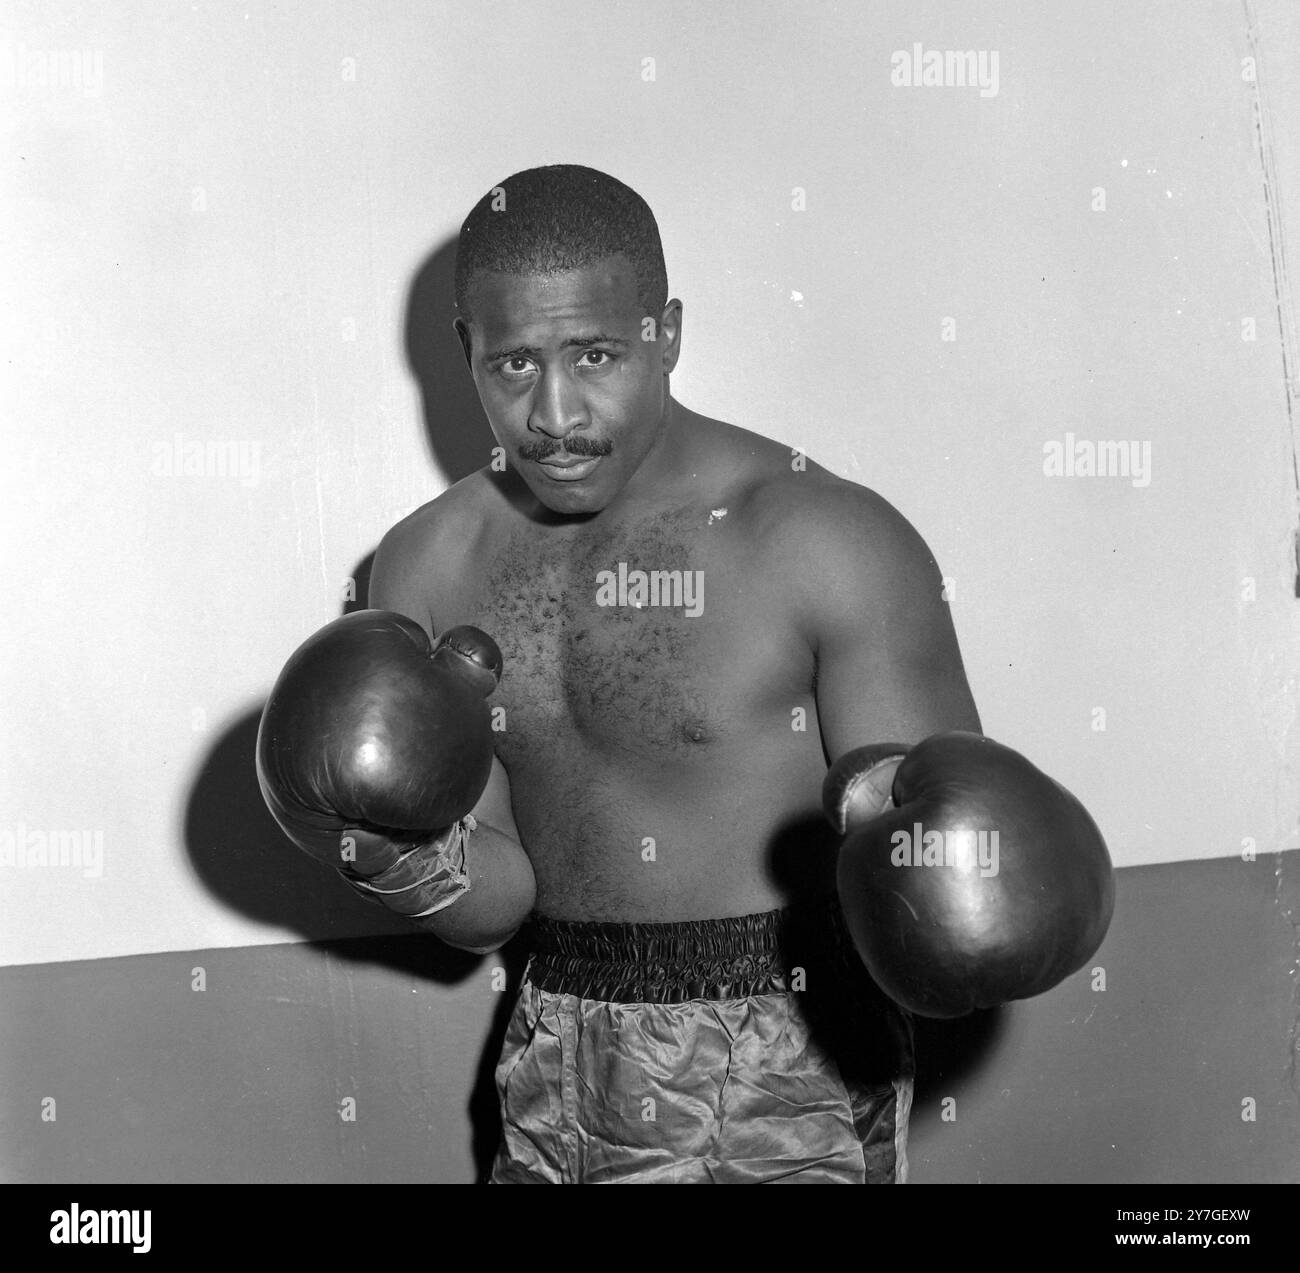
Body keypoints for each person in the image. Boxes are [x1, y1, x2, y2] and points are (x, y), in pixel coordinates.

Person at [256, 164, 1113, 1184]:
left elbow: (932, 859)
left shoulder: (818, 538)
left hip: (789, 1060)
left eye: (597, 354)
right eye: (514, 366)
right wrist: (396, 854)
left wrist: (952, 872)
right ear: (466, 353)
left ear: (666, 332)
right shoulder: (429, 565)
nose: (556, 414)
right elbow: (492, 903)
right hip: (551, 1054)